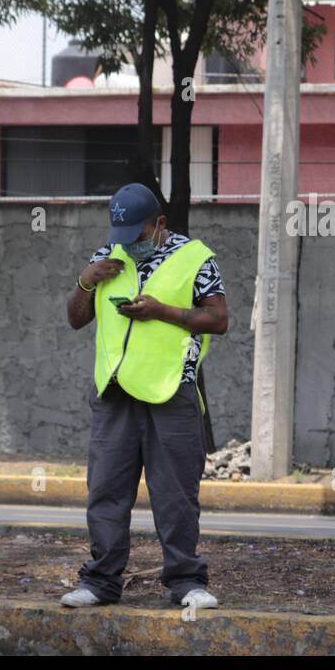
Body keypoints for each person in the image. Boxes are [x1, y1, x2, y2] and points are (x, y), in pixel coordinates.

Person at [60, 183, 229, 611]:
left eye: (137, 233)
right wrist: (85, 280)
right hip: (115, 394)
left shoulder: (195, 259)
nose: (128, 242)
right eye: (122, 234)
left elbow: (218, 319)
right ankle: (100, 582)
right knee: (106, 490)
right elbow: (76, 319)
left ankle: (187, 582)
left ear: (160, 225)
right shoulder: (107, 256)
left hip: (171, 390)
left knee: (175, 494)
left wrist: (163, 311)